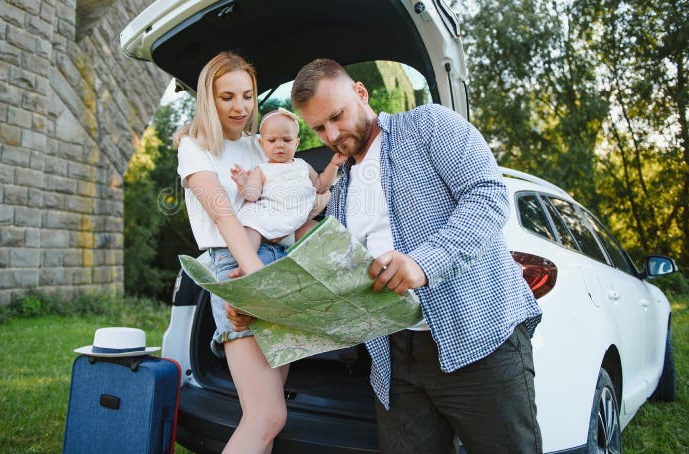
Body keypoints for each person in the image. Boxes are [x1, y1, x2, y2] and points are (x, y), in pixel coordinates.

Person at [287, 58, 544, 454]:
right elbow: (336, 282)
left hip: (479, 342)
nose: (333, 134)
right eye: (319, 128)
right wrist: (259, 310)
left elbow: (488, 196)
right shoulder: (340, 189)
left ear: (360, 91)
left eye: (337, 116)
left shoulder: (428, 125)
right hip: (396, 361)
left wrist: (424, 262)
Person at [174, 51, 289, 453]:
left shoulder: (258, 147)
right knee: (266, 415)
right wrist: (255, 273)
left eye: (247, 95)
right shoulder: (194, 146)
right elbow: (224, 217)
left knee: (269, 417)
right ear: (209, 98)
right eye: (227, 97)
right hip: (237, 265)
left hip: (277, 261)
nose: (240, 107)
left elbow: (283, 200)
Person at [231, 107, 344, 252]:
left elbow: (321, 186)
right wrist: (243, 184)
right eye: (272, 140)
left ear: (296, 143)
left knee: (322, 232)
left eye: (286, 140)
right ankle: (246, 262)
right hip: (267, 221)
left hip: (296, 223)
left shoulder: (302, 165)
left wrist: (333, 165)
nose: (280, 145)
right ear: (262, 143)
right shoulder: (261, 170)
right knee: (250, 229)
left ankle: (338, 254)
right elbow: (252, 195)